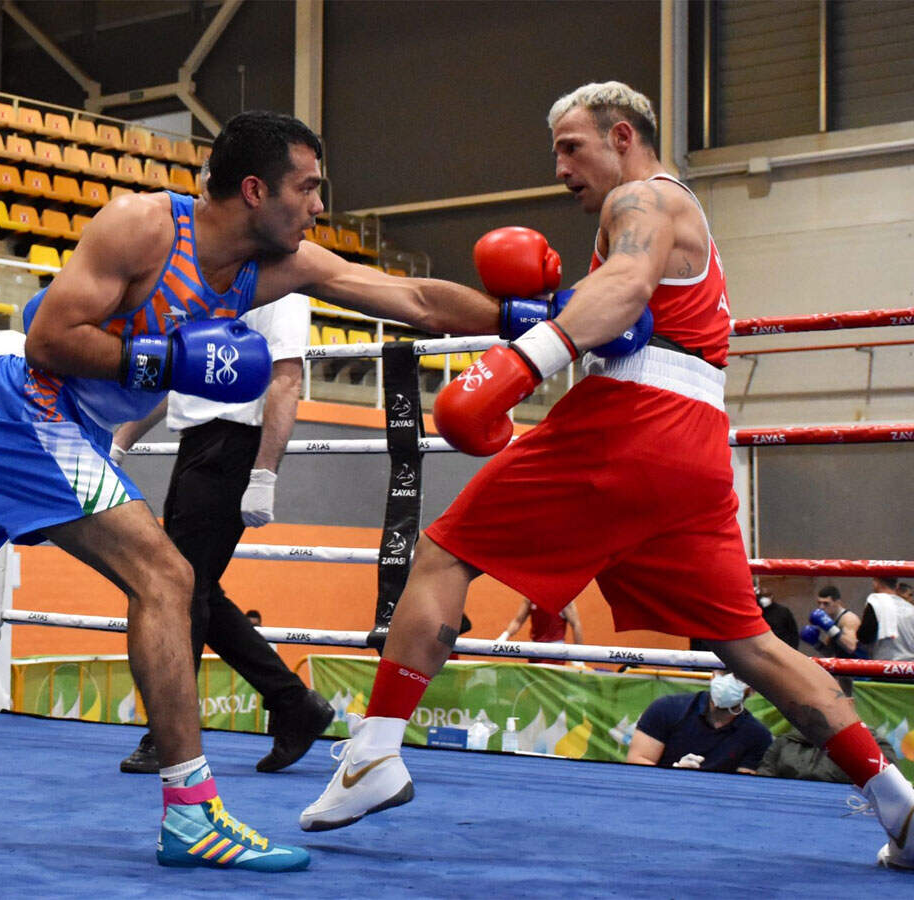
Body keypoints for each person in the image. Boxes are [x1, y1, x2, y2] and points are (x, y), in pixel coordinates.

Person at [0, 110, 503, 873]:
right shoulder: (145, 228)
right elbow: (48, 338)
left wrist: (535, 324)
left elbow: (415, 301)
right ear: (257, 189)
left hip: (41, 432)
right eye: (309, 187)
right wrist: (162, 364)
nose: (320, 206)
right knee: (165, 575)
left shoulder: (277, 268)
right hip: (30, 410)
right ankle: (192, 815)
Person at [298, 82, 914, 871]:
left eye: (570, 147)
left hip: (633, 424)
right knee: (749, 643)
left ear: (622, 136)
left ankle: (373, 754)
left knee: (446, 554)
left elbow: (624, 287)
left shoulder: (642, 201)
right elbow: (613, 302)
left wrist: (520, 365)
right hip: (694, 446)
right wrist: (541, 316)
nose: (559, 167)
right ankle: (899, 803)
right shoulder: (668, 219)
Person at [111, 292, 333, 776]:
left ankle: (168, 735)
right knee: (192, 586)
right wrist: (122, 439)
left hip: (234, 446)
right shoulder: (219, 286)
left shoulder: (285, 294)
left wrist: (264, 474)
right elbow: (179, 377)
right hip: (198, 445)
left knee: (179, 589)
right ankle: (293, 702)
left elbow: (287, 380)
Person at [626, 673, 772, 774]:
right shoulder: (666, 708)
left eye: (739, 677)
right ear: (713, 675)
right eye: (724, 671)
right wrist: (673, 774)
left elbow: (744, 787)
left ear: (752, 689)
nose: (729, 680)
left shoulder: (758, 736)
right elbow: (636, 760)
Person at [759, 725, 898, 783]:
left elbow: (889, 793)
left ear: (849, 704)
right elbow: (762, 783)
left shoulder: (875, 747)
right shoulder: (785, 742)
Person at [856, 577, 914, 661]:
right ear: (897, 586)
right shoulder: (911, 608)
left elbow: (865, 637)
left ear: (876, 583)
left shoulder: (876, 602)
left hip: (886, 666)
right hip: (909, 668)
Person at [497, 597, 583, 645]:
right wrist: (504, 636)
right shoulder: (530, 598)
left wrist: (579, 656)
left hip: (554, 651)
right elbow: (518, 621)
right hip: (535, 647)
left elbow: (576, 624)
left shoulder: (562, 598)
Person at [754, 585, 799, 649]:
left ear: (771, 596)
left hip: (782, 646)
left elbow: (793, 631)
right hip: (763, 647)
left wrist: (793, 648)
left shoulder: (783, 611)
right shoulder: (757, 612)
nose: (763, 599)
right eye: (761, 596)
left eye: (766, 596)